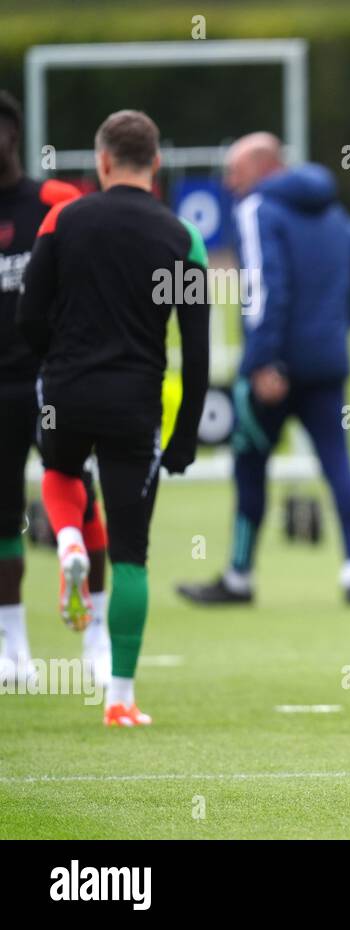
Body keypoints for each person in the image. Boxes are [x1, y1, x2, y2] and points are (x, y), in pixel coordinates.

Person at [18, 109, 209, 725]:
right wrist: (183, 437)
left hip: (66, 391)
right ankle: (121, 697)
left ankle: (68, 538)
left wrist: (59, 358)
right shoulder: (181, 236)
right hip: (135, 403)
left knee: (62, 471)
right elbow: (198, 348)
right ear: (156, 165)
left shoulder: (62, 217)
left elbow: (28, 316)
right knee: (131, 556)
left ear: (102, 162)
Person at [176, 132, 350, 607]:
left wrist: (262, 359)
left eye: (235, 171)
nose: (229, 183)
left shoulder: (258, 210)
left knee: (249, 462)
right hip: (327, 361)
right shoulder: (332, 210)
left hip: (275, 369)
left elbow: (264, 288)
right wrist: (338, 324)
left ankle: (239, 577)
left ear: (262, 166)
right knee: (337, 461)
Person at [0, 90, 113, 686]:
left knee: (79, 492)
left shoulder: (55, 201)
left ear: (13, 135)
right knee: (3, 514)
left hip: (50, 379)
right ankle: (12, 646)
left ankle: (95, 638)